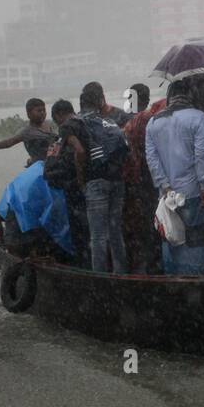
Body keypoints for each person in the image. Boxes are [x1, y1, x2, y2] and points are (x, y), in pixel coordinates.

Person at [144, 79, 204, 275]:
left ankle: (173, 283)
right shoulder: (198, 117)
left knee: (170, 236)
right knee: (195, 240)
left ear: (169, 97)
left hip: (166, 196)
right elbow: (201, 154)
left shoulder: (153, 122)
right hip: (192, 192)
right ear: (190, 95)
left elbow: (152, 158)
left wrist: (165, 186)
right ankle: (195, 282)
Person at [76, 87, 130, 273]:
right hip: (117, 180)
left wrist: (81, 180)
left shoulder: (79, 121)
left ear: (81, 103)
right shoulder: (109, 121)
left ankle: (99, 278)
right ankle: (120, 273)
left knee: (98, 235)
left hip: (96, 181)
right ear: (100, 101)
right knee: (115, 232)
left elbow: (79, 153)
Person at [121, 88, 167, 274]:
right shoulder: (149, 119)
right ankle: (155, 262)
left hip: (136, 176)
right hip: (151, 175)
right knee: (155, 219)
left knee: (142, 223)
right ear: (146, 99)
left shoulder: (130, 121)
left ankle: (145, 262)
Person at [43, 99, 90, 267]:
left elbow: (77, 152)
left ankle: (83, 264)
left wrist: (80, 180)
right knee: (93, 228)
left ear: (58, 115)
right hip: (95, 182)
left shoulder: (65, 129)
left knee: (79, 229)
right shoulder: (87, 122)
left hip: (74, 187)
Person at [0, 98, 54, 167]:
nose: (42, 113)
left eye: (44, 110)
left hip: (53, 162)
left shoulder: (47, 125)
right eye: (38, 111)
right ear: (28, 114)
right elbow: (9, 142)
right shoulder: (27, 132)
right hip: (39, 166)